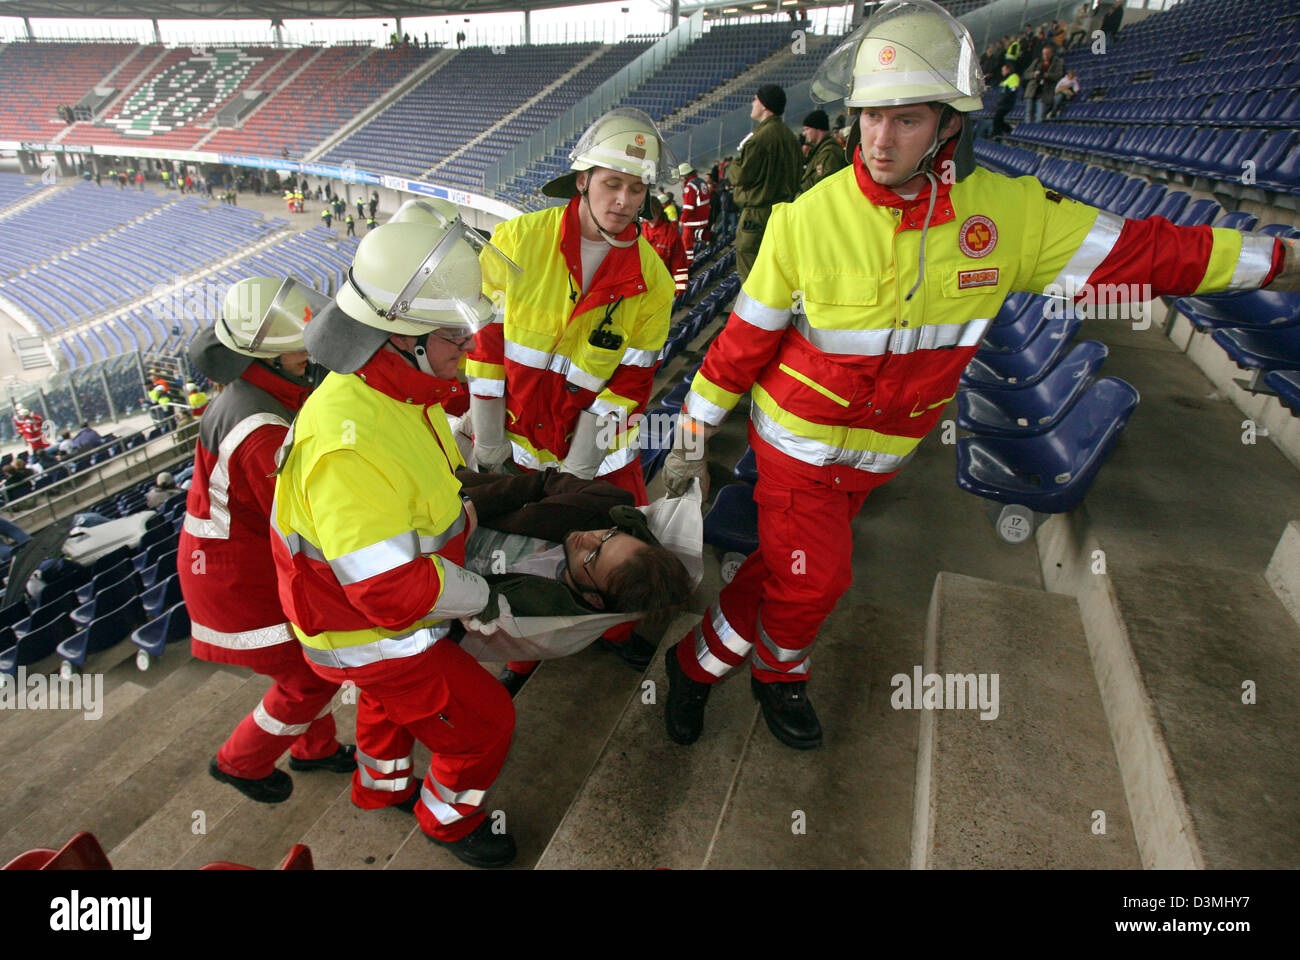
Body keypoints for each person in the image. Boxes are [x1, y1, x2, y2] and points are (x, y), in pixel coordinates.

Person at [658, 0, 1300, 752]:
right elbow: (741, 343)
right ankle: (750, 673)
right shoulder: (807, 219)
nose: (879, 138)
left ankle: (715, 664)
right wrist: (691, 435)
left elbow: (1145, 253)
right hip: (797, 451)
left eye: (906, 119)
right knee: (815, 580)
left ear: (949, 125)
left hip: (875, 462)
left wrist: (1278, 261)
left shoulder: (1011, 217)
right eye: (870, 116)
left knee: (783, 570)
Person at [272, 214, 523, 869]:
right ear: (397, 336)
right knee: (487, 722)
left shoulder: (400, 394)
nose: (466, 352)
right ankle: (447, 818)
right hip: (368, 634)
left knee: (393, 706)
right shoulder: (350, 444)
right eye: (451, 337)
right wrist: (479, 595)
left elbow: (429, 485)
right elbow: (391, 592)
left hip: (363, 622)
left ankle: (380, 786)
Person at [464, 107, 676, 687]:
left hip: (602, 454)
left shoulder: (653, 281)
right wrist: (487, 441)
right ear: (582, 180)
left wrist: (581, 466)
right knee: (535, 549)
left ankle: (619, 630)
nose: (624, 201)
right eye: (612, 183)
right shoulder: (515, 241)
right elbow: (484, 347)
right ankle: (527, 651)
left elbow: (631, 383)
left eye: (637, 188)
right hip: (523, 442)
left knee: (618, 552)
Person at [181, 276, 354, 804]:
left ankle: (314, 749)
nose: (310, 354)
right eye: (298, 349)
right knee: (311, 680)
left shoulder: (255, 394)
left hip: (236, 564)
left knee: (309, 661)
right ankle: (240, 761)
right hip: (241, 582)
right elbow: (302, 519)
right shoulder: (260, 428)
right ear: (270, 356)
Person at [457, 468, 694, 696]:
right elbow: (542, 481)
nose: (588, 537)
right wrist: (463, 511)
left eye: (593, 556)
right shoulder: (606, 502)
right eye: (609, 535)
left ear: (593, 598)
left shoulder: (548, 617)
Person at [730, 83, 802, 281]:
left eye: (756, 99)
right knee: (775, 274)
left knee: (751, 277)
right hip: (782, 212)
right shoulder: (790, 137)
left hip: (756, 216)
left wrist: (733, 165)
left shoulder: (760, 138)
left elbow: (742, 176)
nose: (752, 103)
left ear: (764, 105)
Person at [642, 195, 689, 296]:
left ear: (655, 211)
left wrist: (680, 288)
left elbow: (680, 263)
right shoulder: (638, 231)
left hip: (660, 288)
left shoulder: (671, 234)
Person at [799, 108, 848, 193]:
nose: (805, 133)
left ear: (817, 128)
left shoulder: (829, 153)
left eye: (807, 129)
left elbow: (824, 186)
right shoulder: (819, 151)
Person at [678, 162, 712, 264]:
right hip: (703, 218)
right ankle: (708, 238)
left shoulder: (690, 186)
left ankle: (687, 265)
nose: (681, 179)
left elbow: (689, 207)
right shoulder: (701, 182)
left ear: (686, 175)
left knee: (686, 244)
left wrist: (682, 220)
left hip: (693, 221)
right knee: (698, 236)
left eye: (682, 176)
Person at [1025, 45, 1063, 124]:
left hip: (1045, 92)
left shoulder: (1058, 62)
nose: (1045, 56)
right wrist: (1033, 74)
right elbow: (1026, 74)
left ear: (1051, 53)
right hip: (1032, 90)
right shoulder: (1037, 61)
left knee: (1040, 116)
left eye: (1047, 54)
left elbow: (1059, 76)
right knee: (1028, 114)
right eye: (1044, 54)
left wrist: (1047, 75)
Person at [992, 62, 1020, 137]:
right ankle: (1009, 131)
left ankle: (997, 135)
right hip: (1002, 104)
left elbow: (1013, 89)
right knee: (998, 120)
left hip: (1007, 103)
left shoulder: (1013, 77)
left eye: (1003, 70)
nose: (1002, 72)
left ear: (1008, 70)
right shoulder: (1004, 79)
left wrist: (1005, 98)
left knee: (997, 119)